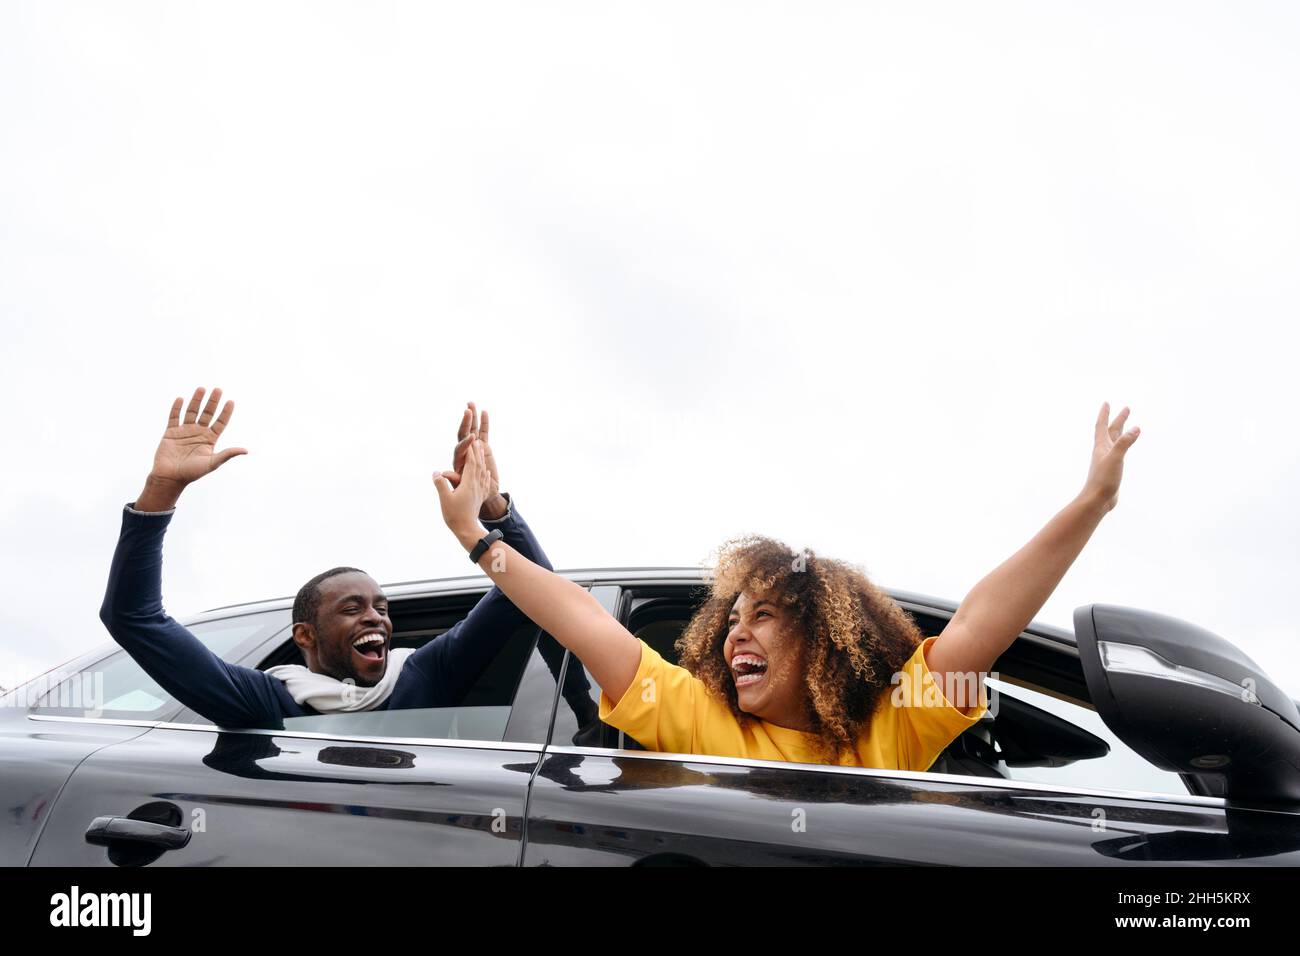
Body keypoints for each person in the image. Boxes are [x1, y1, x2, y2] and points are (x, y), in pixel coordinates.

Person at [433, 402, 1141, 771]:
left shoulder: (893, 730)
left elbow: (979, 627)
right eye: (733, 618)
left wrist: (1091, 505)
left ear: (826, 640)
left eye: (764, 615)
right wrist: (480, 540)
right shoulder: (696, 717)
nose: (737, 631)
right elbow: (581, 618)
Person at [100, 386, 551, 729]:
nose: (376, 618)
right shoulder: (267, 702)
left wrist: (492, 508)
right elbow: (134, 619)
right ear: (305, 635)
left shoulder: (423, 673)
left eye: (380, 607)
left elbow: (534, 595)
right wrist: (163, 489)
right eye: (352, 609)